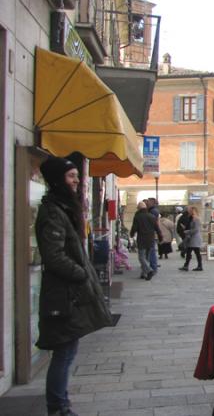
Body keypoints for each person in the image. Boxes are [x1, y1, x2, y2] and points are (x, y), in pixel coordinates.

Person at [36, 156, 112, 416]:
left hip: (67, 292)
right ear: (58, 180)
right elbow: (54, 255)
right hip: (63, 294)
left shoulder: (62, 207)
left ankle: (61, 403)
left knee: (67, 350)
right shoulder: (54, 211)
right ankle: (58, 406)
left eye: (77, 176)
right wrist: (80, 274)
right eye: (71, 176)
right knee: (64, 352)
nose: (77, 181)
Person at [130, 202, 162, 280]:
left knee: (141, 257)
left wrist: (132, 234)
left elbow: (134, 228)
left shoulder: (137, 217)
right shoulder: (152, 216)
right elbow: (157, 228)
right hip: (150, 239)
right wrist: (160, 237)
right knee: (147, 257)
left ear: (139, 208)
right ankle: (144, 274)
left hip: (141, 239)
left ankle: (149, 270)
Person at [180, 206, 203, 271]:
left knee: (195, 252)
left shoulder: (196, 219)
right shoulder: (192, 218)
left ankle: (197, 266)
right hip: (192, 238)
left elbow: (196, 229)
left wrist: (187, 231)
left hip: (195, 238)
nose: (188, 211)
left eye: (190, 210)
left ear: (193, 211)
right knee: (191, 252)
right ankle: (188, 266)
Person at [145, 198, 160, 272]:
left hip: (150, 233)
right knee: (151, 251)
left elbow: (152, 223)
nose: (147, 203)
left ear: (152, 202)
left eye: (148, 201)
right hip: (150, 233)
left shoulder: (153, 211)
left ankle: (153, 267)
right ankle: (152, 266)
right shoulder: (152, 210)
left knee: (151, 251)